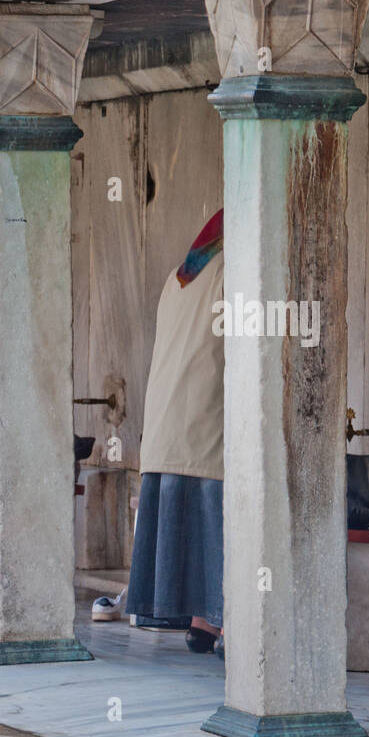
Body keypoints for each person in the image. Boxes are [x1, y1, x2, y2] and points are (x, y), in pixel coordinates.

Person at [126, 209, 226, 656]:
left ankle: (200, 623)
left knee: (185, 519)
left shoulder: (182, 275)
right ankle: (226, 622)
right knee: (215, 520)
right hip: (209, 415)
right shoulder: (237, 271)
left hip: (169, 422)